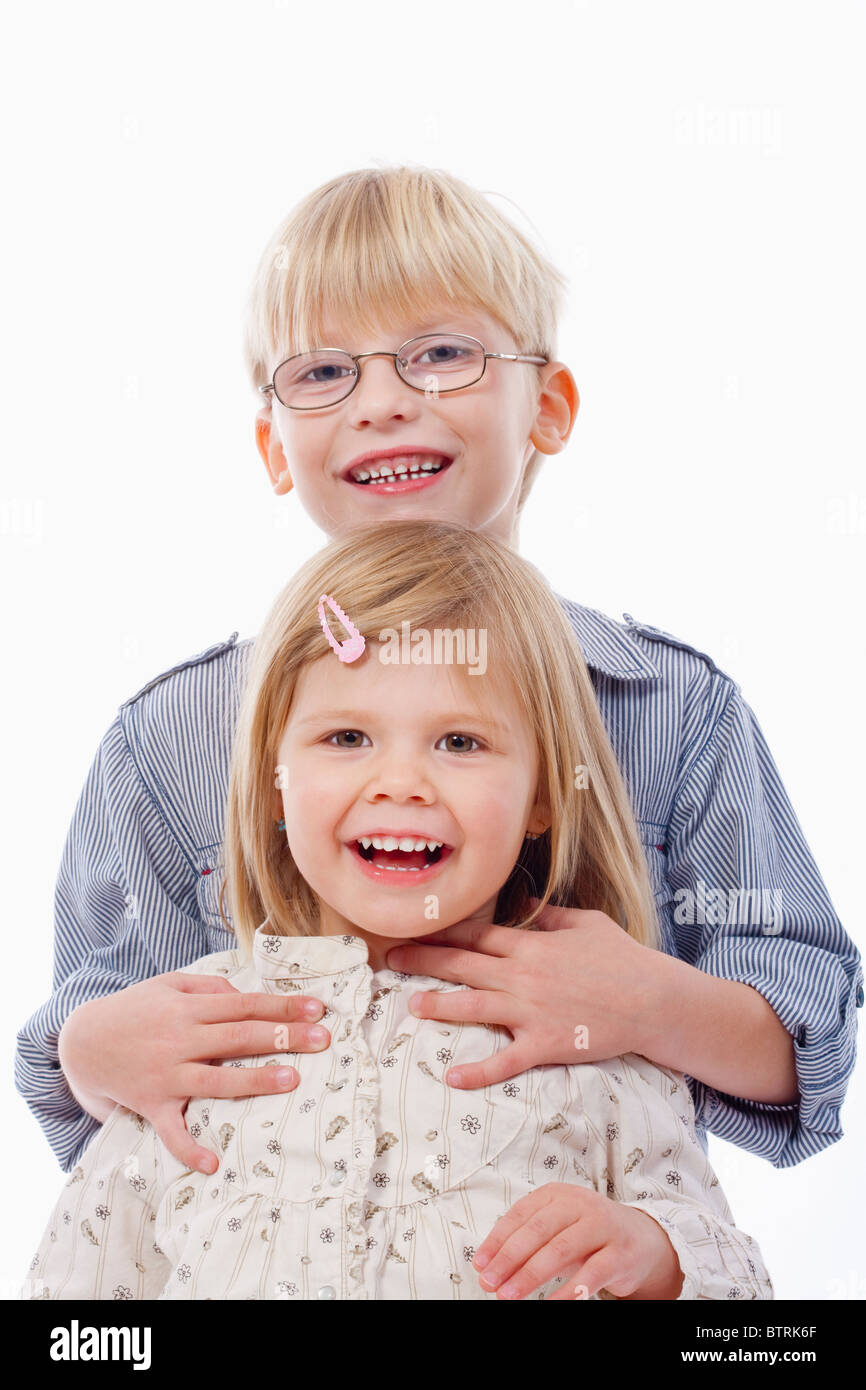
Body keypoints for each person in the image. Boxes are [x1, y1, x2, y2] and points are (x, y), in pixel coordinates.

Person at [16, 166, 861, 1184]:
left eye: (442, 354)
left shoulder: (670, 707)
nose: (379, 401)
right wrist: (88, 1052)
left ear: (546, 407)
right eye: (323, 373)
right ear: (272, 444)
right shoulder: (170, 735)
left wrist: (644, 1000)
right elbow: (90, 1032)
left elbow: (803, 1046)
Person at [24, 521, 772, 1301]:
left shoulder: (595, 1039)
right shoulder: (195, 1039)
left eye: (459, 742)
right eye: (347, 736)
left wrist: (653, 1256)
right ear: (274, 778)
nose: (401, 782)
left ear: (544, 796)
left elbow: (742, 1292)